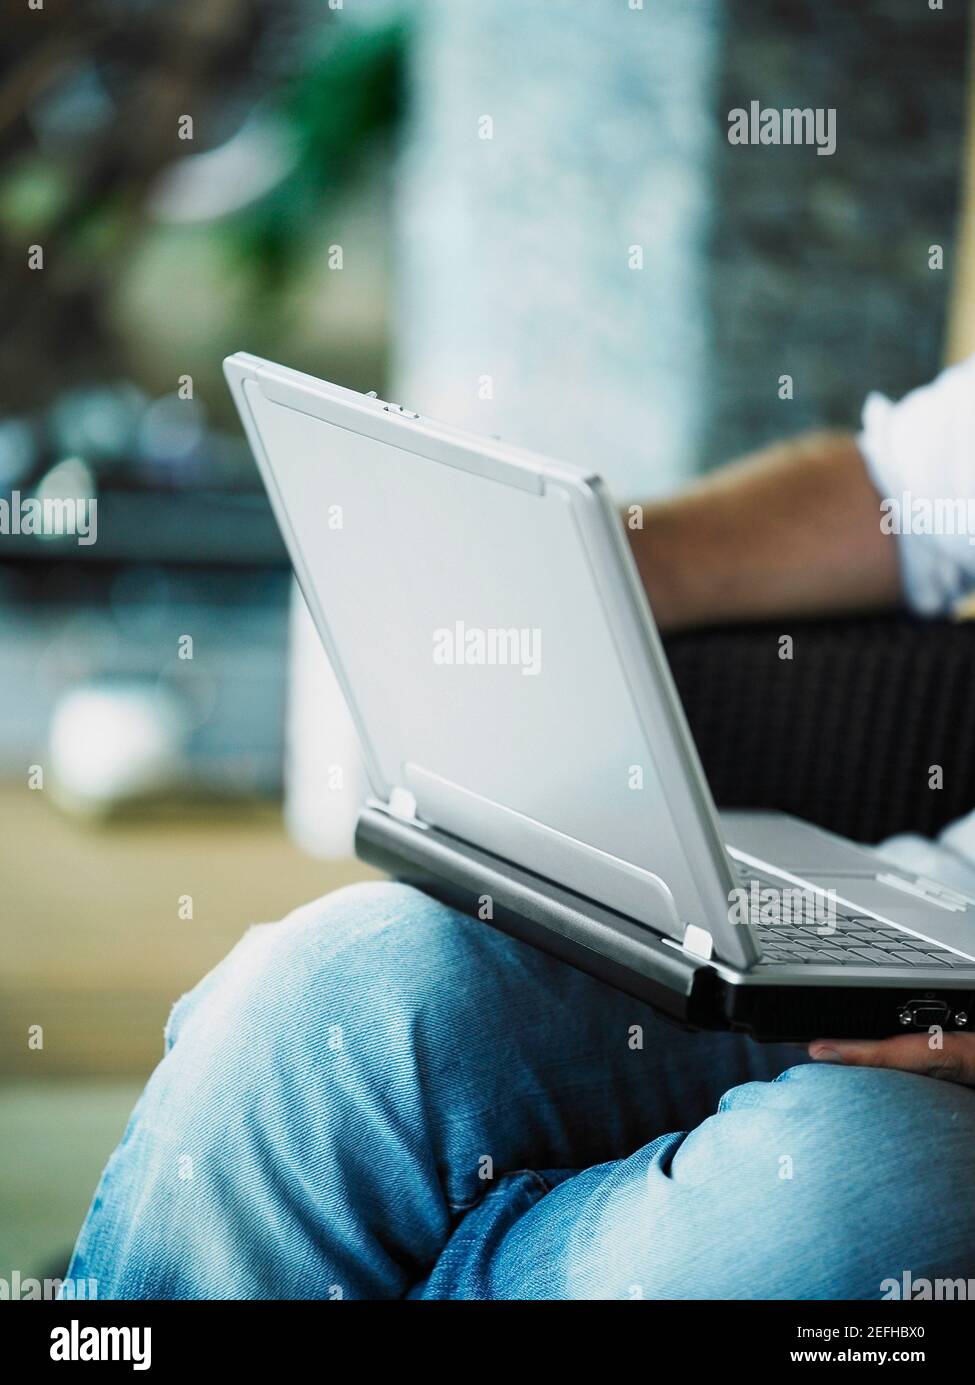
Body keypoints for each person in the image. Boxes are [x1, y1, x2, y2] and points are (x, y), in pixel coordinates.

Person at [66, 355, 975, 1300]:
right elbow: (899, 494)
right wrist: (575, 580)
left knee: (848, 1202)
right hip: (939, 902)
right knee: (326, 996)